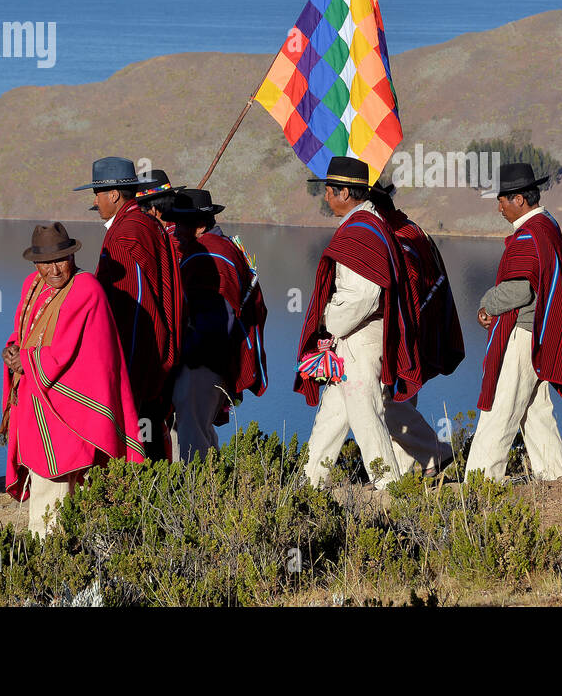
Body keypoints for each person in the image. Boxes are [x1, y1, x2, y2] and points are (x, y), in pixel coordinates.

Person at [0, 222, 144, 538]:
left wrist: (25, 360)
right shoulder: (31, 286)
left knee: (62, 483)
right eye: (45, 262)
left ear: (72, 256)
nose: (53, 269)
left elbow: (68, 353)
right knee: (47, 487)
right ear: (34, 263)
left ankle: (64, 558)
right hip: (37, 403)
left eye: (60, 259)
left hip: (71, 408)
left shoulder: (86, 289)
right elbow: (24, 331)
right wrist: (13, 350)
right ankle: (59, 559)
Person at [297, 156, 422, 490]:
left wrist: (327, 321)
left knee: (366, 417)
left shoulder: (359, 232)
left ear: (346, 193)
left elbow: (363, 295)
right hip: (357, 338)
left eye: (329, 190)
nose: (325, 197)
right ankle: (310, 483)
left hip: (358, 338)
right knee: (333, 415)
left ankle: (390, 489)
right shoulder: (368, 225)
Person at [465, 162, 562, 482]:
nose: (498, 206)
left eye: (502, 198)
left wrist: (487, 304)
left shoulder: (529, 235)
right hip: (542, 333)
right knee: (535, 411)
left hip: (523, 336)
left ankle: (478, 484)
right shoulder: (548, 226)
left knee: (498, 412)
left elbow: (520, 289)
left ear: (519, 199)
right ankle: (559, 478)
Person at [73, 156, 182, 460]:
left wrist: (125, 367)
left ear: (114, 195)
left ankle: (140, 499)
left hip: (137, 356)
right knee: (151, 431)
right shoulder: (145, 224)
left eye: (97, 193)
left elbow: (134, 308)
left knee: (136, 434)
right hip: (153, 354)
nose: (95, 200)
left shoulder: (125, 234)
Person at [162, 188, 269, 461]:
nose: (176, 232)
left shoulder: (208, 256)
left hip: (202, 361)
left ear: (200, 225)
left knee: (191, 431)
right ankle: (215, 493)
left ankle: (195, 497)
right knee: (200, 428)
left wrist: (183, 353)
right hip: (214, 361)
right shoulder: (222, 248)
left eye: (182, 224)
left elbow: (217, 318)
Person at [369, 179, 463, 476]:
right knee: (402, 403)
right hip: (421, 333)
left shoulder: (397, 239)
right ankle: (410, 471)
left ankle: (439, 454)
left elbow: (407, 291)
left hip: (405, 335)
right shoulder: (412, 230)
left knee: (389, 404)